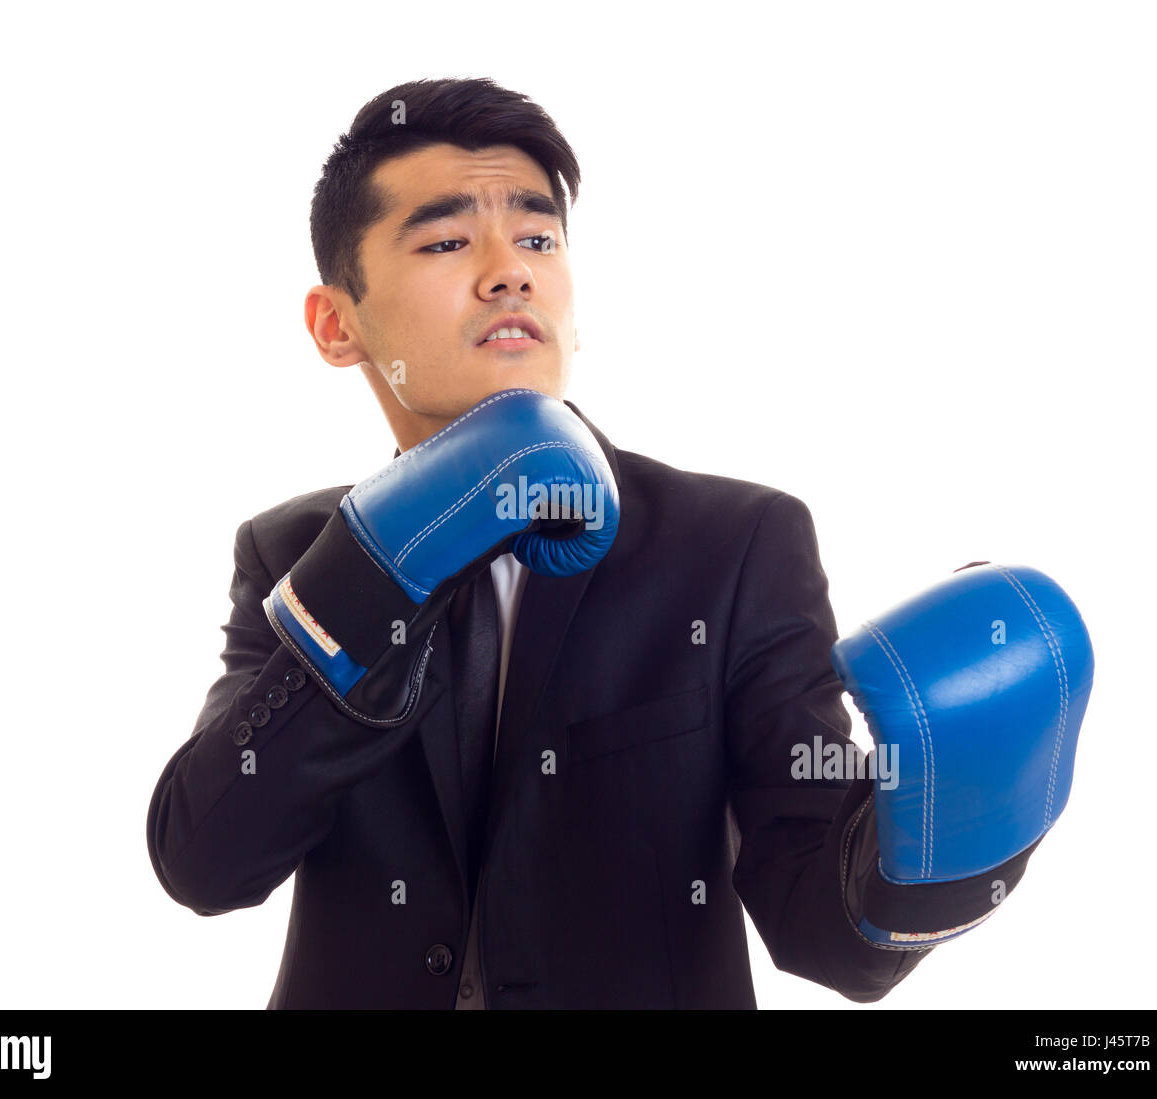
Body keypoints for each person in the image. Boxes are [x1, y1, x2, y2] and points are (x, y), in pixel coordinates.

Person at [145, 76, 1070, 1009]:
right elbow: (205, 861)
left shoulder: (734, 545)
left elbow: (824, 929)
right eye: (447, 241)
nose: (509, 272)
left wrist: (955, 830)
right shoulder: (293, 552)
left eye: (538, 239)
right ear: (337, 324)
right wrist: (371, 580)